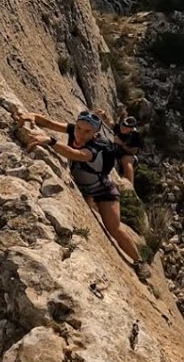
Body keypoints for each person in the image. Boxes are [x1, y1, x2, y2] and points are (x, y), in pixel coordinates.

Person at [15, 108, 142, 265]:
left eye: (87, 131)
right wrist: (32, 115)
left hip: (103, 191)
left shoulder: (96, 147)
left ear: (95, 133)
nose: (80, 134)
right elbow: (49, 123)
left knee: (114, 228)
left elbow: (78, 155)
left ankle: (139, 261)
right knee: (81, 222)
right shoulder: (75, 131)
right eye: (78, 128)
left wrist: (51, 141)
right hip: (85, 189)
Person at [111, 115, 143, 185]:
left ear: (131, 129)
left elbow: (133, 152)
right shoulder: (118, 128)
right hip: (116, 152)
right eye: (123, 125)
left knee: (127, 160)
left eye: (126, 127)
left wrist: (121, 143)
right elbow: (110, 124)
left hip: (128, 155)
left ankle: (129, 186)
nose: (123, 128)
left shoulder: (135, 135)